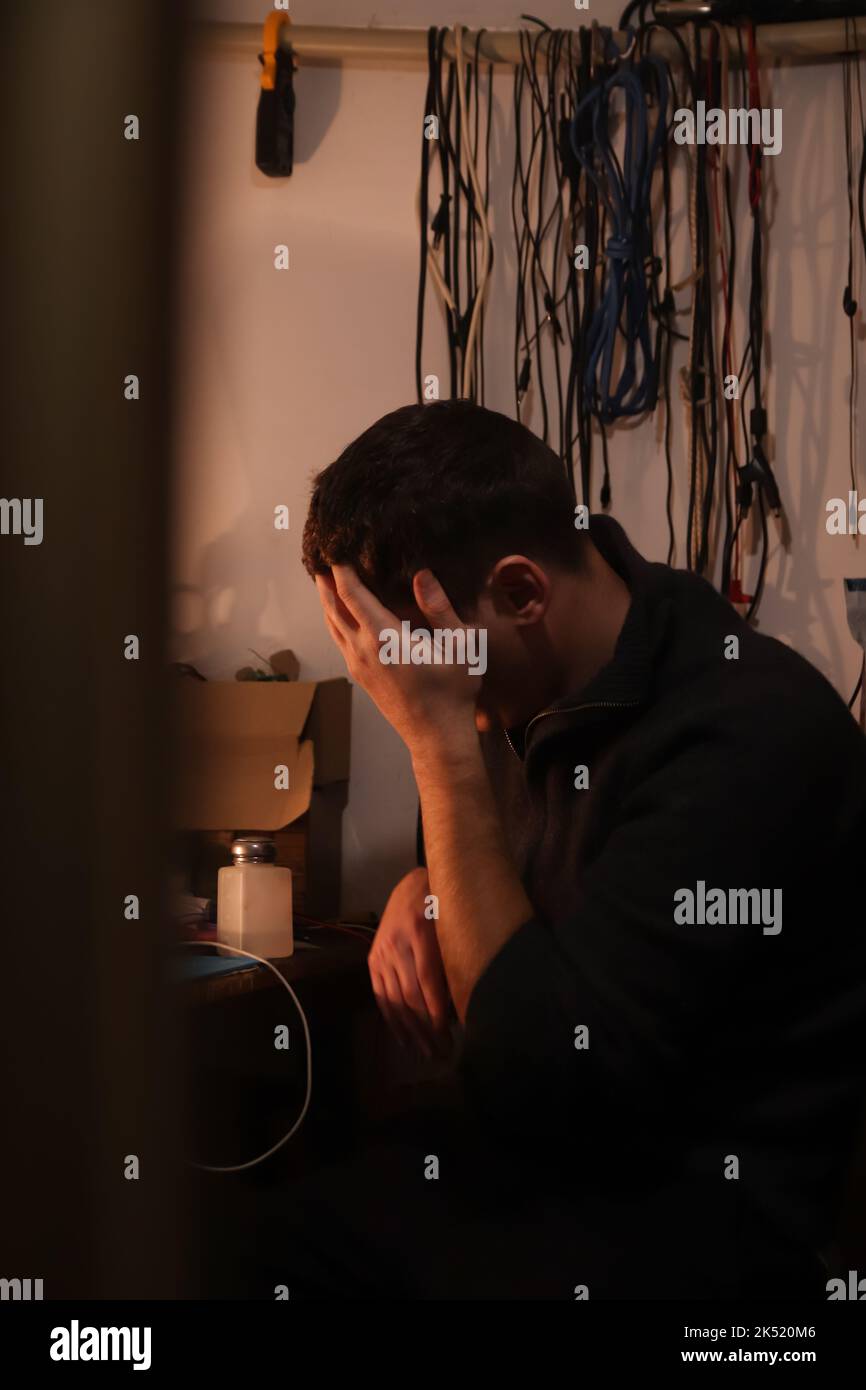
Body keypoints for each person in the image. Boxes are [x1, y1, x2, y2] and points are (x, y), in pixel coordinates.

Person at [278, 397, 866, 1300]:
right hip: (565, 1162)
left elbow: (541, 1080)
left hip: (708, 1230)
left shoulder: (746, 738)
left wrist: (440, 754)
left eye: (426, 664)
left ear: (521, 592)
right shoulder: (556, 674)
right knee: (265, 1218)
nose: (425, 695)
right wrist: (429, 878)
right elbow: (569, 864)